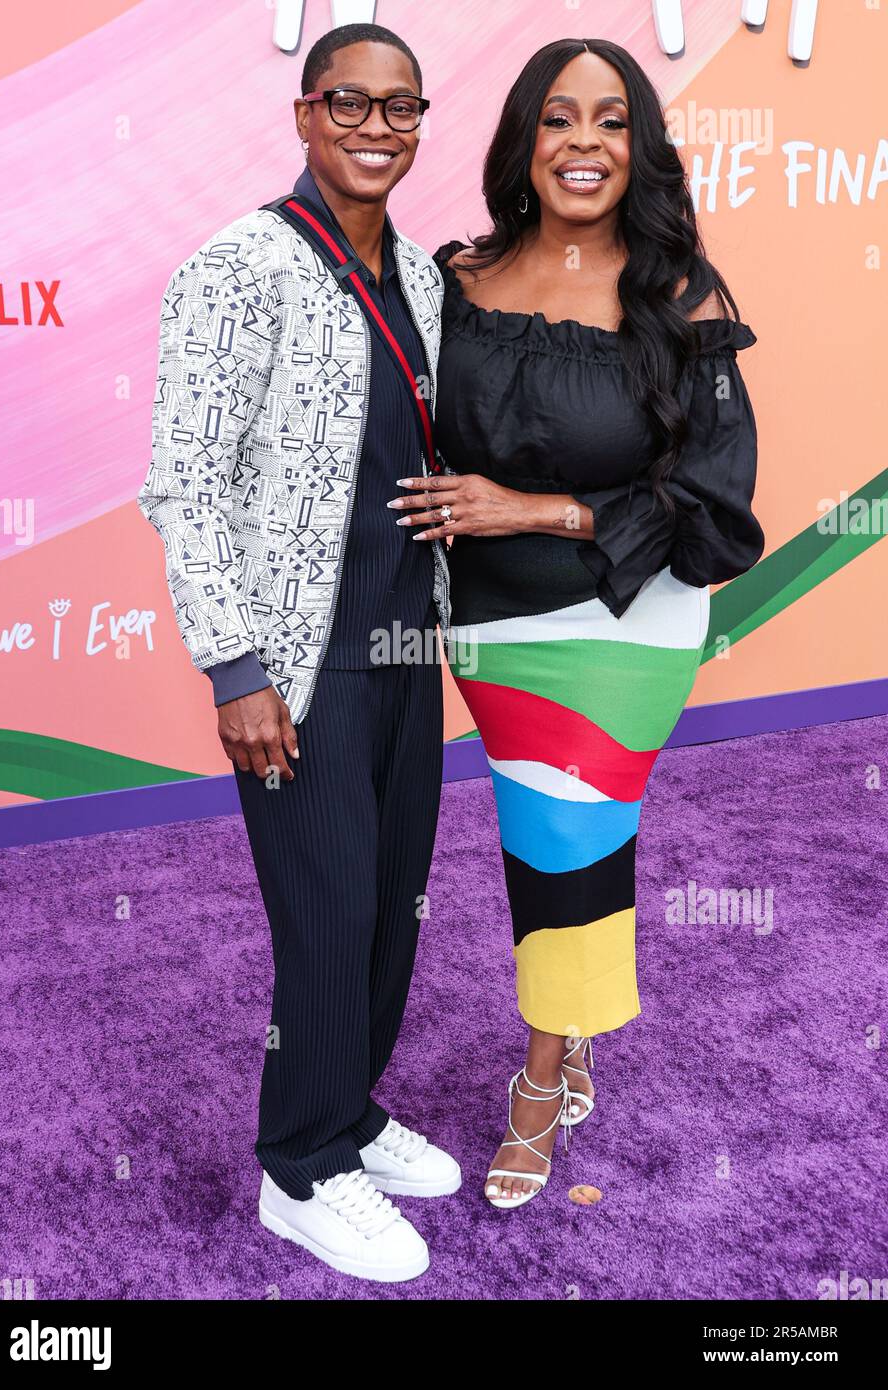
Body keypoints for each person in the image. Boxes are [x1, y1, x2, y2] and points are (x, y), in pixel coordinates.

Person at [390, 38, 764, 1208]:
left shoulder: (679, 298)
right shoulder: (452, 279)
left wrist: (530, 508)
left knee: (557, 841)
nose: (584, 143)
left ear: (639, 145)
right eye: (559, 119)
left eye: (611, 120)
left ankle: (541, 1079)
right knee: (565, 841)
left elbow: (712, 493)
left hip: (628, 618)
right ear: (524, 141)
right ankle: (579, 1021)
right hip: (489, 626)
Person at [137, 23, 459, 1282]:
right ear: (305, 116)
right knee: (324, 914)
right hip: (297, 658)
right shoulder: (238, 267)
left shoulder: (423, 278)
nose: (376, 128)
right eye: (350, 104)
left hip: (403, 643)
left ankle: (351, 1109)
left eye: (400, 107)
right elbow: (186, 483)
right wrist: (236, 666)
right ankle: (300, 1168)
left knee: (389, 910)